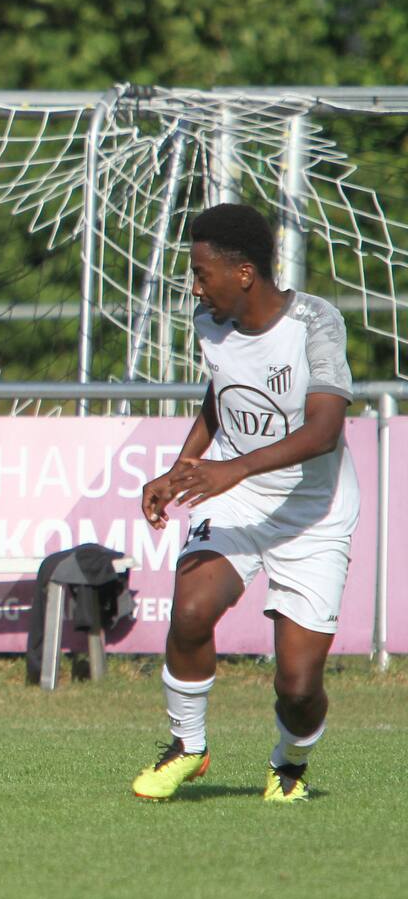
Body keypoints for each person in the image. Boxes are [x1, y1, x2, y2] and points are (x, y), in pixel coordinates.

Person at [132, 202, 357, 804]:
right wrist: (182, 468)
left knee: (299, 684)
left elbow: (326, 430)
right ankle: (188, 746)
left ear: (244, 275)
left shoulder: (315, 322)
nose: (195, 286)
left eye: (203, 274)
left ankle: (290, 762)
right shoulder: (211, 322)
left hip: (314, 512)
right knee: (191, 610)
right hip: (237, 500)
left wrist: (233, 468)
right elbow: (221, 395)